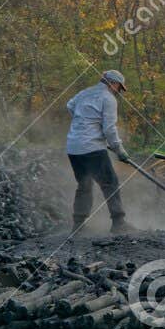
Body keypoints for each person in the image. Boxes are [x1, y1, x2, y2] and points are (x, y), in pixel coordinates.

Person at [65, 69, 132, 235]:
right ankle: (119, 223)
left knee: (84, 184)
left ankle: (78, 226)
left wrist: (83, 123)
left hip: (74, 147)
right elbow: (109, 129)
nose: (118, 91)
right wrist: (120, 150)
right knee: (110, 183)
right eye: (119, 87)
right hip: (92, 147)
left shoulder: (84, 93)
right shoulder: (108, 98)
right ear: (113, 83)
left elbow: (70, 106)